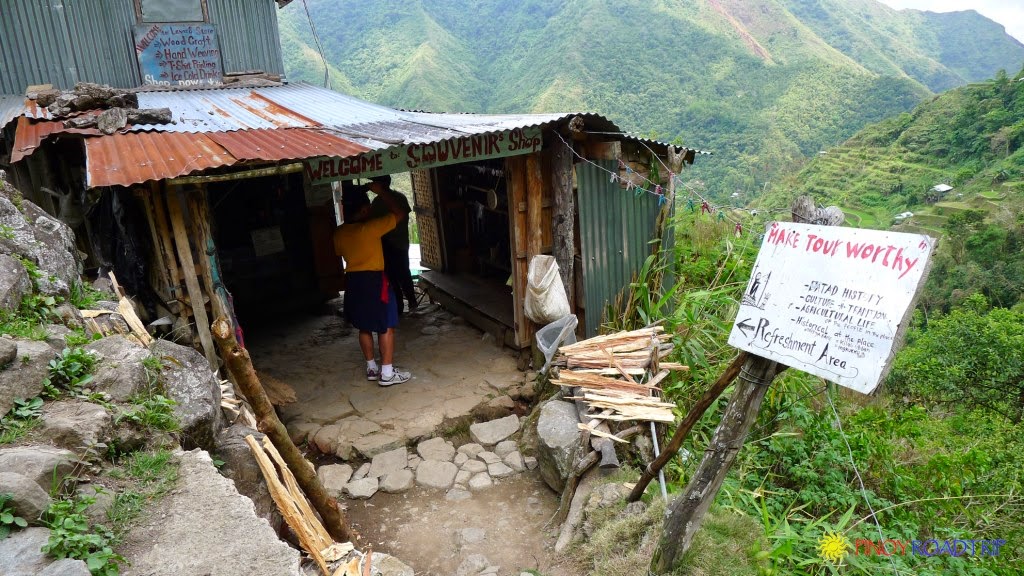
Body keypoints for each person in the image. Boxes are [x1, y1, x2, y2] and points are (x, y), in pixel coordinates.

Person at [334, 186, 412, 386]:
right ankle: (387, 373)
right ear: (363, 210)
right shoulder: (371, 228)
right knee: (386, 325)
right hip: (375, 281)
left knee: (364, 326)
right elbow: (400, 214)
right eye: (367, 206)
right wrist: (382, 192)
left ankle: (371, 368)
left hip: (353, 281)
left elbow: (338, 252)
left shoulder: (339, 233)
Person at [367, 175, 418, 314]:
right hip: (396, 243)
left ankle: (403, 304)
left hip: (393, 243)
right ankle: (408, 302)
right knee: (401, 274)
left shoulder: (380, 202)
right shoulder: (398, 197)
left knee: (396, 276)